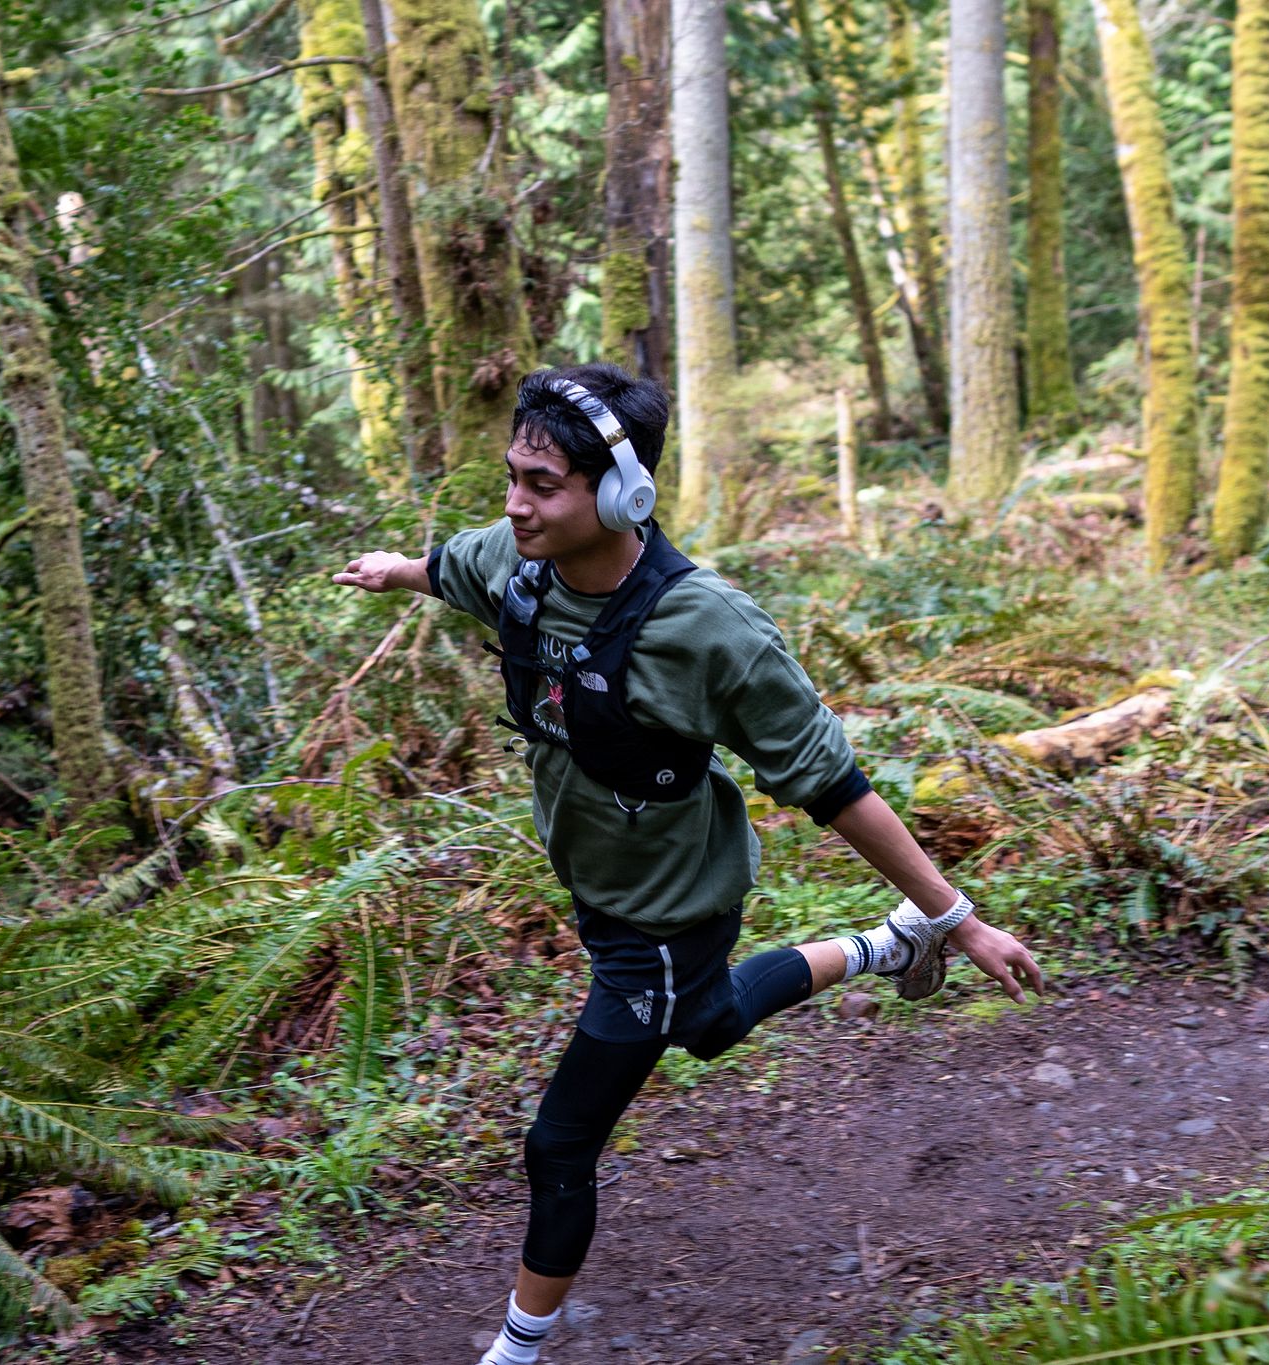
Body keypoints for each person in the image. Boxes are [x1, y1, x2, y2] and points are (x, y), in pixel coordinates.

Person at [333, 364, 1044, 1365]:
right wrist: (394, 571)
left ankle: (514, 1352)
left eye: (542, 485)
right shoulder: (516, 562)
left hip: (664, 911)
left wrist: (959, 916)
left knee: (559, 1143)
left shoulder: (708, 627)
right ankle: (882, 949)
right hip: (599, 881)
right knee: (705, 1025)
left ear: (620, 494)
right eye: (511, 477)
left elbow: (833, 785)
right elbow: (454, 567)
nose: (515, 503)